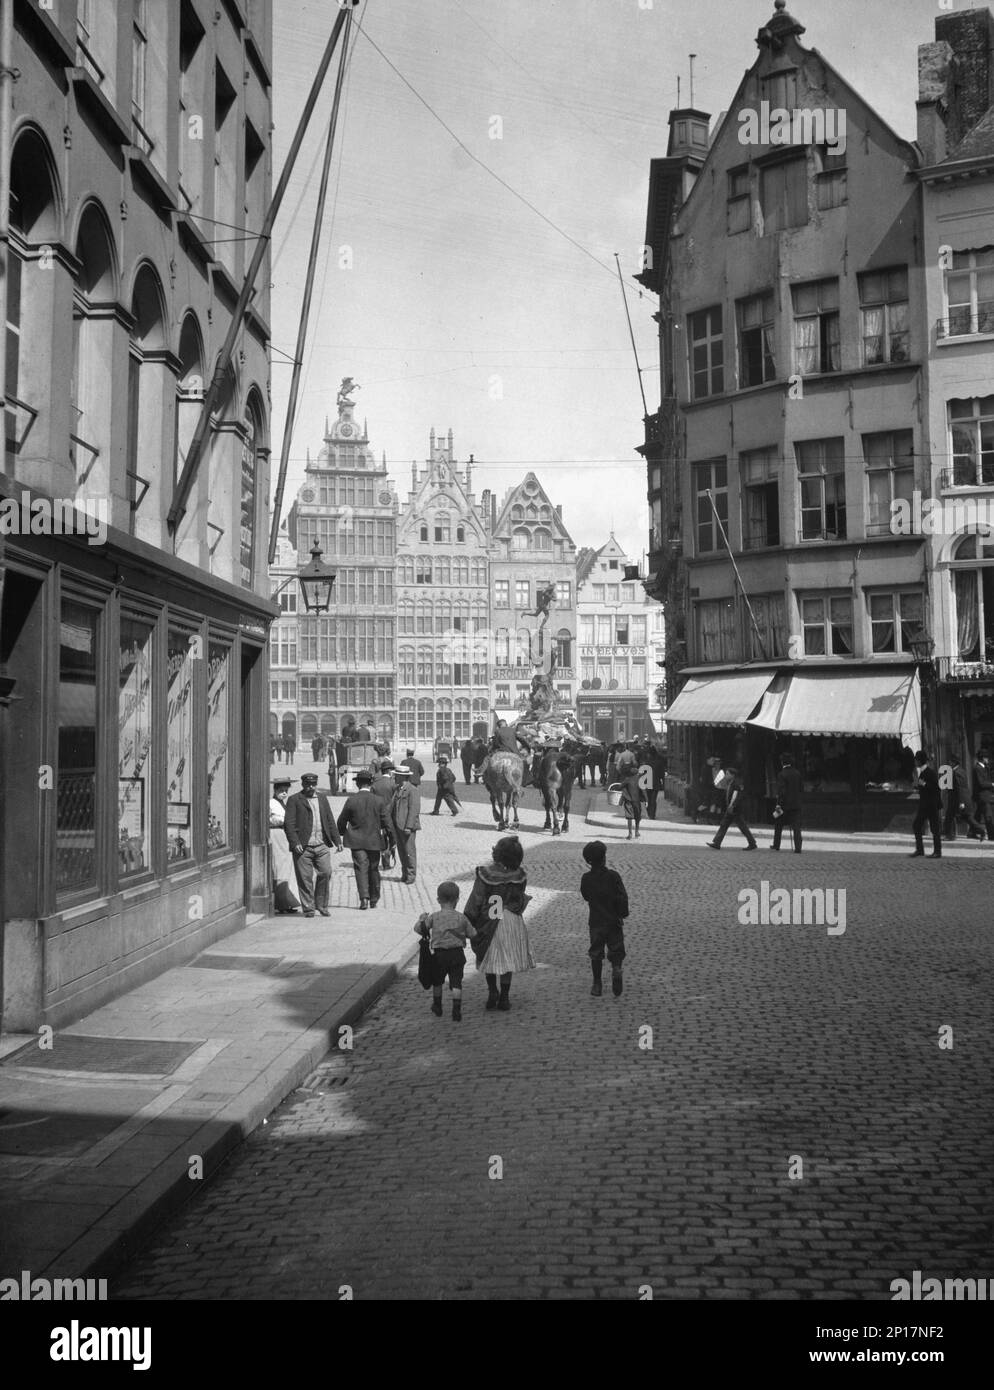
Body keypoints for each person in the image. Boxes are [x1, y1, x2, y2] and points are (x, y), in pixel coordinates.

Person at [464, 835, 533, 1012]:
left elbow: (476, 899)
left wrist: (469, 919)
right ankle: (504, 997)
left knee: (489, 957)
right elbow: (519, 896)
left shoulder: (486, 874)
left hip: (490, 921)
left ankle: (492, 991)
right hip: (511, 921)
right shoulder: (520, 875)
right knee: (507, 960)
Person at [415, 881, 478, 1021]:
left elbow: (418, 929)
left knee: (437, 982)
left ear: (438, 900)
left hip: (439, 955)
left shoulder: (434, 917)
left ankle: (437, 1005)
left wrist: (421, 919)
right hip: (457, 955)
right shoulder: (461, 917)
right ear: (457, 900)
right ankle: (456, 1010)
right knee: (456, 983)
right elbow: (473, 934)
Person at [283, 772, 344, 917]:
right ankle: (309, 908)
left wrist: (338, 841)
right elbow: (289, 824)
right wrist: (295, 842)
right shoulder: (294, 800)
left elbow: (329, 820)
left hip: (321, 844)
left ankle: (321, 905)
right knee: (305, 878)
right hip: (303, 847)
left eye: (313, 784)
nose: (311, 787)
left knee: (325, 872)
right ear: (303, 785)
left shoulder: (322, 798)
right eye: (308, 784)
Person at [580, 840, 629, 997]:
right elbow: (622, 896)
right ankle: (616, 969)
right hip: (613, 921)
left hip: (596, 921)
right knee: (616, 949)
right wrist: (621, 914)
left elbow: (586, 896)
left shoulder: (586, 878)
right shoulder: (613, 876)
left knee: (596, 952)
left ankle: (597, 984)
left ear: (588, 861)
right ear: (604, 858)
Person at [336, 768, 391, 910]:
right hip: (374, 840)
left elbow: (342, 821)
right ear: (371, 783)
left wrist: (341, 834)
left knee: (360, 869)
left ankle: (364, 899)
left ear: (357, 784)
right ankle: (374, 898)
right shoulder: (378, 801)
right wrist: (392, 841)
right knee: (373, 869)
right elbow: (387, 823)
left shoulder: (351, 800)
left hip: (356, 841)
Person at [706, 764, 757, 851]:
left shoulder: (736, 783)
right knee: (724, 825)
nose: (726, 776)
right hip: (731, 808)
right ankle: (717, 843)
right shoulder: (732, 783)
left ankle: (752, 843)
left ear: (732, 775)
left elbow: (736, 796)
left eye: (727, 774)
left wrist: (732, 806)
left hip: (734, 809)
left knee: (742, 827)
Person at [268, 776, 300, 914]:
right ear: (275, 790)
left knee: (286, 868)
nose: (284, 793)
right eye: (281, 790)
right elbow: (274, 819)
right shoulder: (272, 803)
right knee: (279, 868)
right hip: (277, 835)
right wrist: (286, 820)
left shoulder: (282, 804)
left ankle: (287, 901)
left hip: (284, 836)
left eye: (286, 790)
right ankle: (281, 903)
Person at [390, 766, 421, 884]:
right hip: (398, 826)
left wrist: (409, 826)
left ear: (403, 777)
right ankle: (404, 874)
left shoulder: (412, 790)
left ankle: (411, 875)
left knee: (409, 851)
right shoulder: (397, 789)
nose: (394, 777)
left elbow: (414, 810)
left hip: (407, 827)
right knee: (402, 851)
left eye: (396, 775)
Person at [911, 750, 942, 858]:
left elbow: (935, 788)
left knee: (934, 829)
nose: (915, 761)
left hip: (931, 805)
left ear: (919, 761)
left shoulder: (930, 772)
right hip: (924, 805)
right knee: (916, 825)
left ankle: (937, 852)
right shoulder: (922, 772)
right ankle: (920, 850)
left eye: (916, 759)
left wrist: (922, 783)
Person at [771, 752, 803, 853]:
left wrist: (778, 804)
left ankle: (776, 845)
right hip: (796, 804)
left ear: (782, 762)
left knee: (778, 824)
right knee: (796, 827)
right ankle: (798, 847)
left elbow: (782, 791)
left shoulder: (782, 774)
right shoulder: (797, 773)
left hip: (785, 805)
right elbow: (801, 789)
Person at [944, 755, 973, 841]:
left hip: (956, 799)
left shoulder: (956, 772)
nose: (949, 763)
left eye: (950, 762)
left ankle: (950, 835)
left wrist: (961, 801)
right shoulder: (961, 771)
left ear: (953, 762)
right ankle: (950, 835)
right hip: (956, 798)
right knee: (952, 817)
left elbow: (959, 787)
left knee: (950, 817)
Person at [972, 749, 994, 840]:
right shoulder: (978, 768)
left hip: (986, 795)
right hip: (983, 796)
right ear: (983, 758)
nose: (988, 760)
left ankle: (971, 831)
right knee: (988, 816)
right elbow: (981, 783)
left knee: (978, 814)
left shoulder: (985, 768)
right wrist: (992, 784)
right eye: (986, 758)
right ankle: (992, 835)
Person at [619, 765, 642, 840]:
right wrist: (646, 800)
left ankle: (630, 834)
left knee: (629, 817)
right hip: (637, 801)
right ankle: (637, 832)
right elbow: (643, 790)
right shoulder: (639, 780)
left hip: (628, 801)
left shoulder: (627, 779)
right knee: (637, 816)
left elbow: (620, 787)